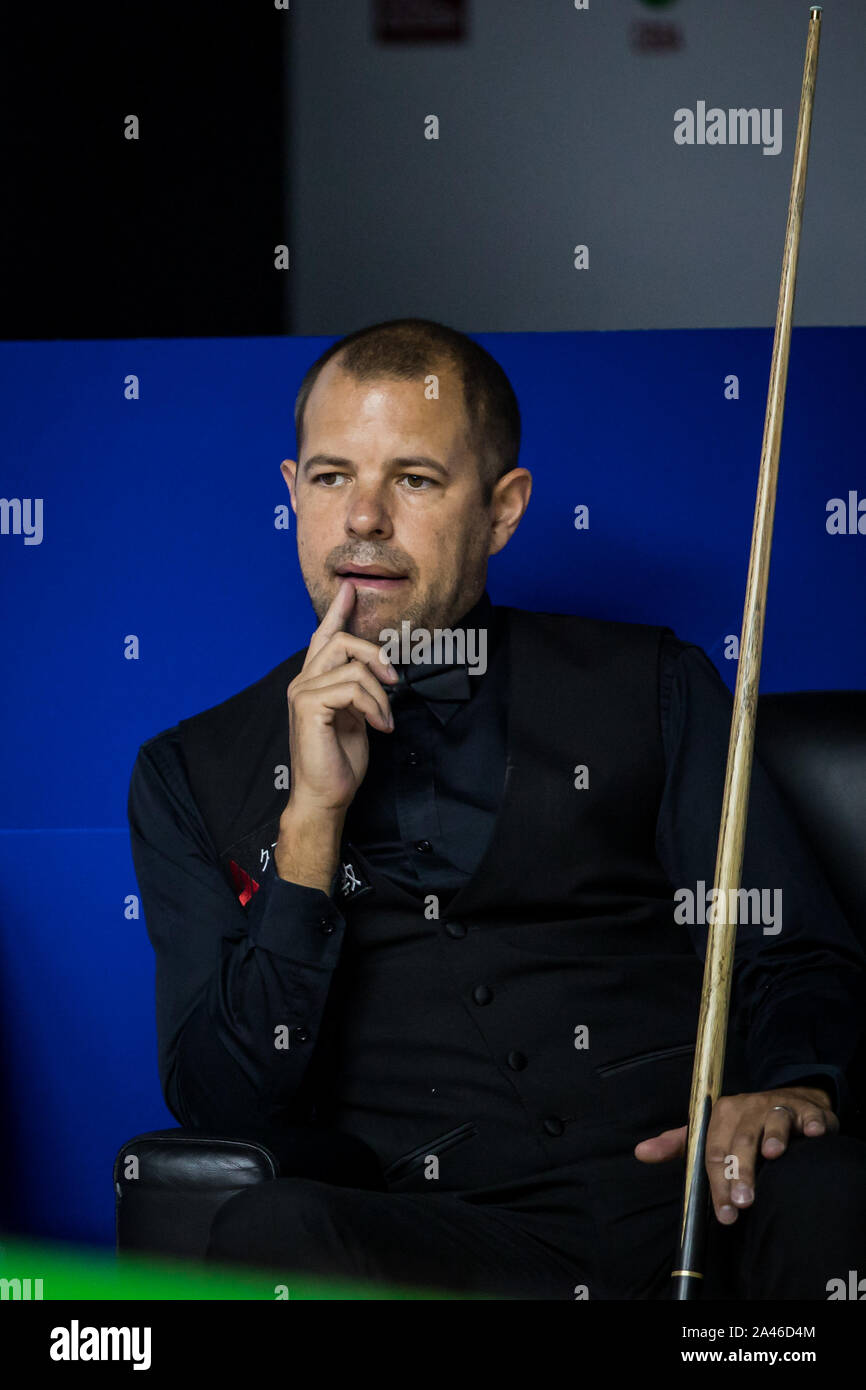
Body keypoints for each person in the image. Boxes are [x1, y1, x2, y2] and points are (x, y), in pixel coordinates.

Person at [127, 318, 866, 1300]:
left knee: (838, 1191)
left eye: (415, 480)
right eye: (331, 476)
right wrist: (308, 820)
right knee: (275, 1231)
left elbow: (793, 951)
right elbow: (223, 1095)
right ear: (291, 493)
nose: (364, 519)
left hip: (699, 1207)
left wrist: (788, 1087)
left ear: (502, 509)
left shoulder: (649, 683)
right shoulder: (189, 771)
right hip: (441, 1245)